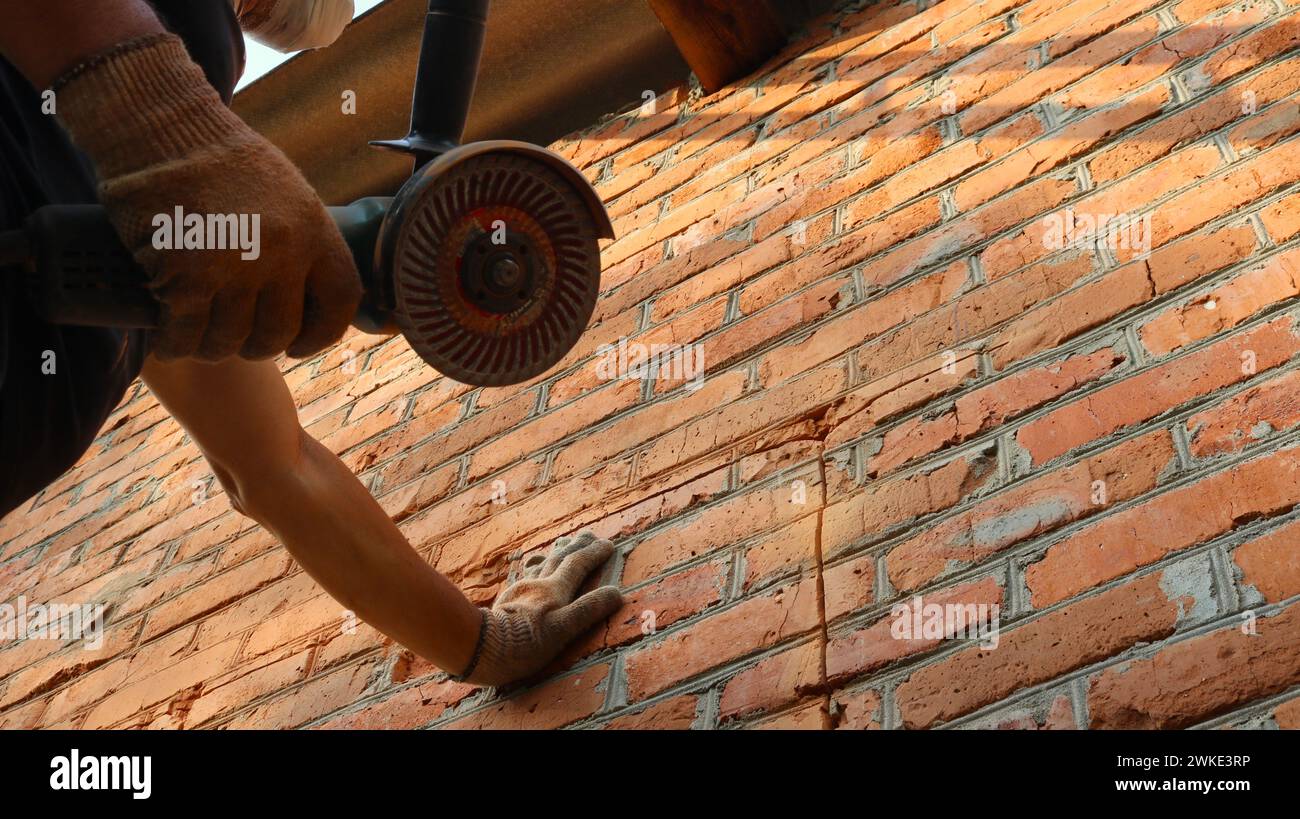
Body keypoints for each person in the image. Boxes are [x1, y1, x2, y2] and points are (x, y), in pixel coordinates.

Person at [0, 0, 622, 688]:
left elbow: (274, 468)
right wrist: (168, 122)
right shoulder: (157, 140)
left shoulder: (150, 230)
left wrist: (493, 643)